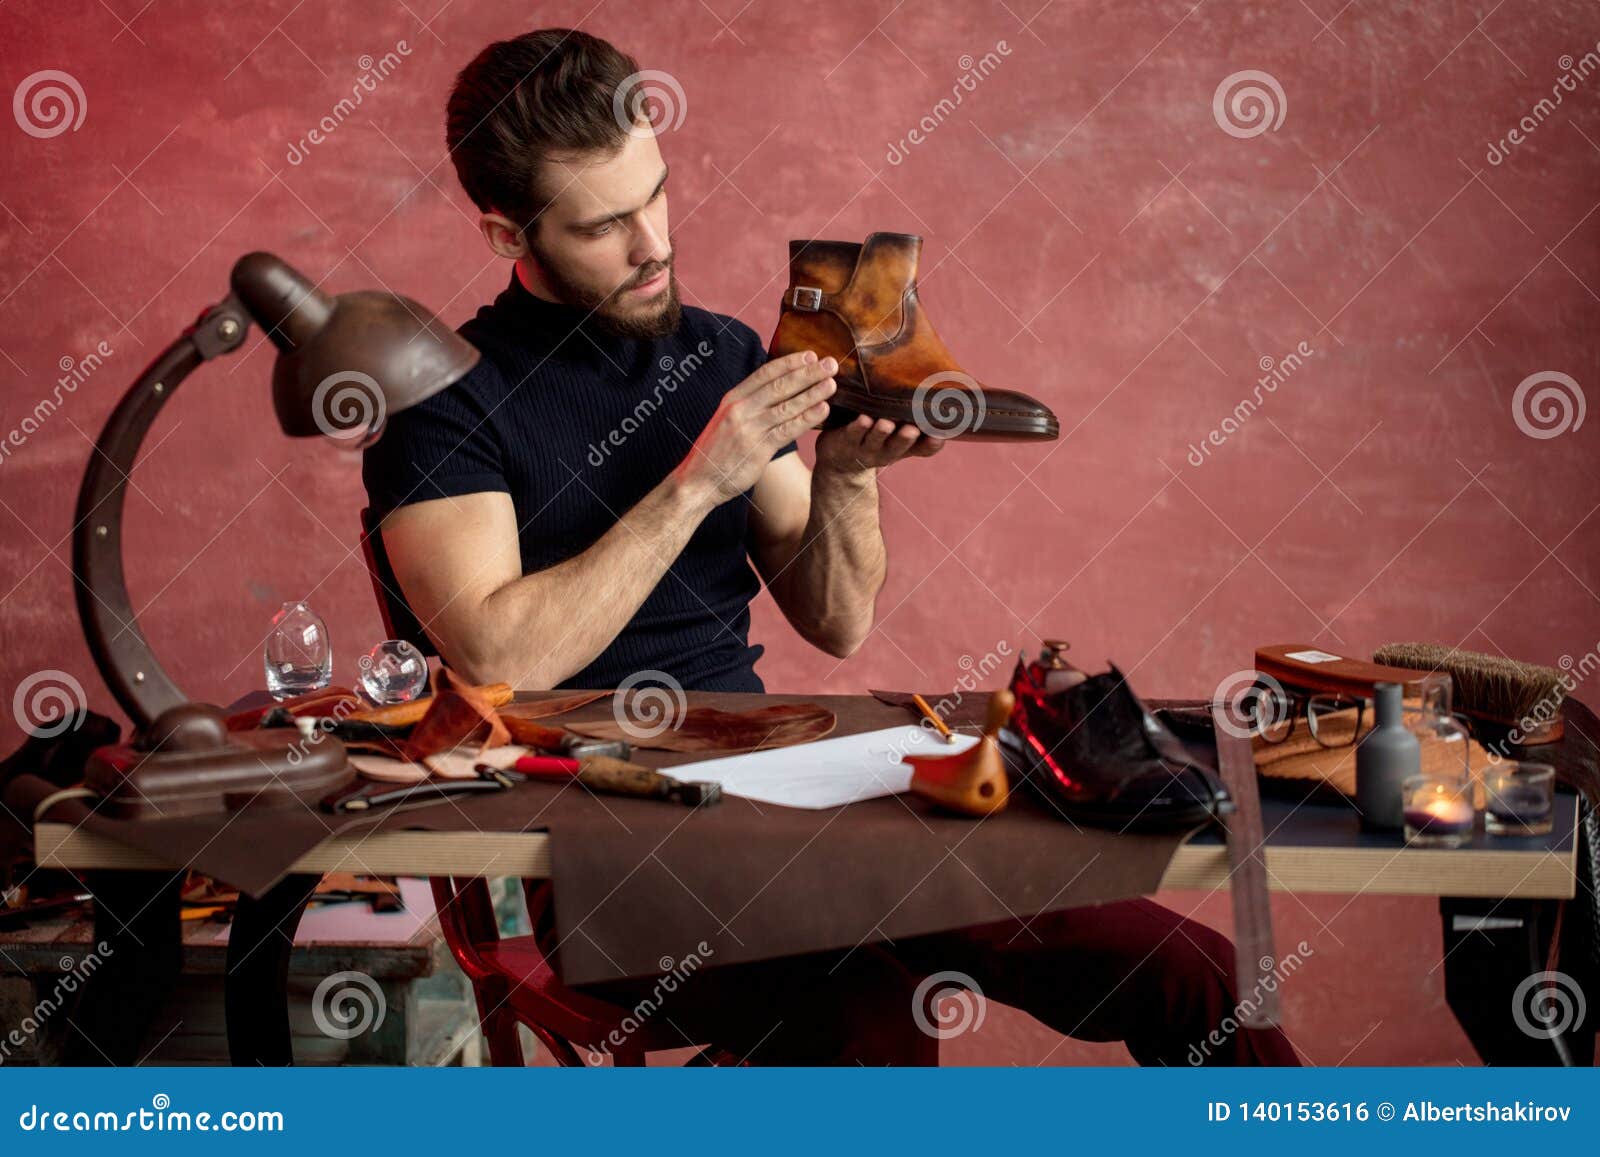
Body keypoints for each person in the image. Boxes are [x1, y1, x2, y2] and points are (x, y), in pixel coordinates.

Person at [361, 27, 1300, 1067]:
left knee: (1189, 969)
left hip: (791, 793)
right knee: (865, 1003)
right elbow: (497, 656)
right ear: (507, 236)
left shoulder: (719, 354)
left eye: (657, 196)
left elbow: (836, 623)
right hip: (612, 850)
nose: (654, 246)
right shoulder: (446, 400)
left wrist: (847, 474)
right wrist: (700, 480)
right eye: (606, 225)